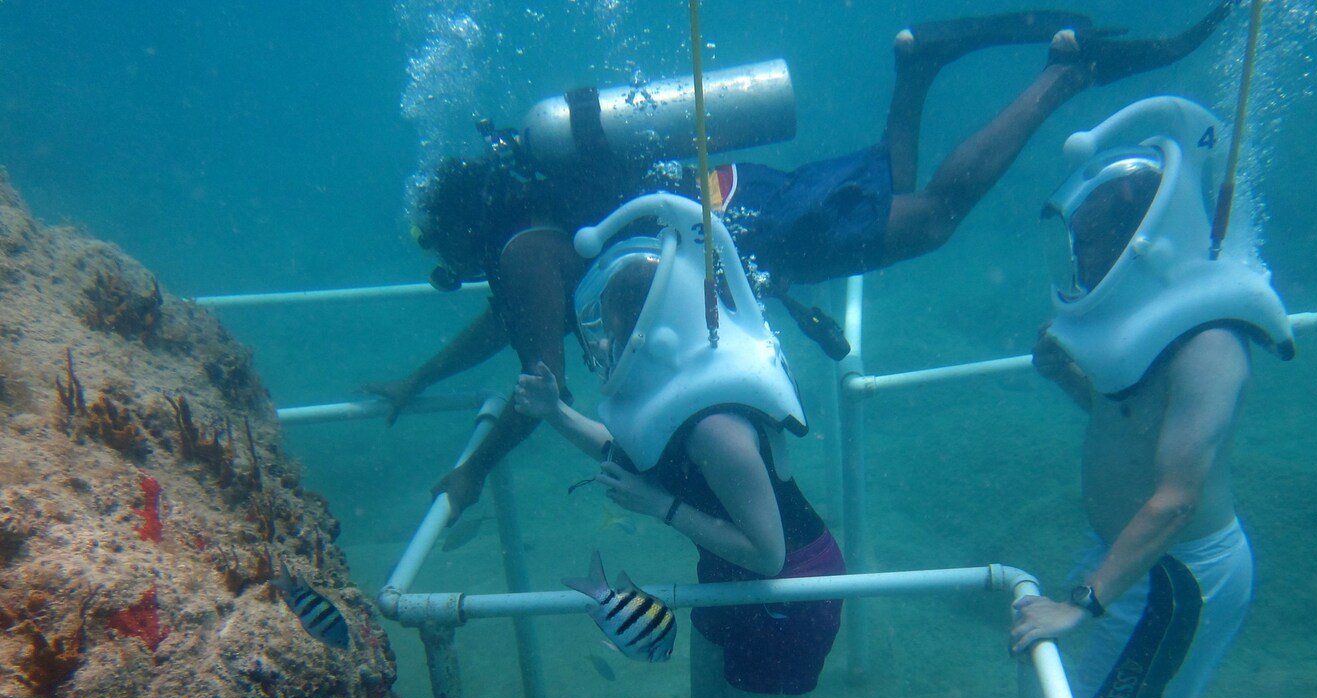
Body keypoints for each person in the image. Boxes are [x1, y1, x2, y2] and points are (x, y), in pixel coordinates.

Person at [365, 3, 1237, 522]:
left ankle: (1063, 79)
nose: (444, 262)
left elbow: (537, 378)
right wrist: (415, 379)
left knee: (930, 219)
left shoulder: (522, 257)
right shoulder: (531, 241)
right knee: (892, 188)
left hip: (751, 233)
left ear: (460, 226)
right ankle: (919, 64)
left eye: (435, 245)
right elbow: (508, 325)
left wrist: (475, 469)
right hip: (735, 204)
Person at [1008, 96, 1295, 698]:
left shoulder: (1208, 346)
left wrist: (1081, 602)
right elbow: (1131, 426)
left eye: (1100, 240)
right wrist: (1069, 376)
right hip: (1127, 559)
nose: (1087, 257)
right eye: (1083, 241)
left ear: (1148, 240)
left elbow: (1177, 497)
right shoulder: (1142, 322)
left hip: (1175, 583)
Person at [513, 193, 844, 698]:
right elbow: (631, 454)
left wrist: (657, 508)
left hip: (789, 592)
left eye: (612, 328)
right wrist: (555, 413)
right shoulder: (673, 389)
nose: (605, 344)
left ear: (652, 332)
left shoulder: (717, 428)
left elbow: (769, 555)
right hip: (727, 574)